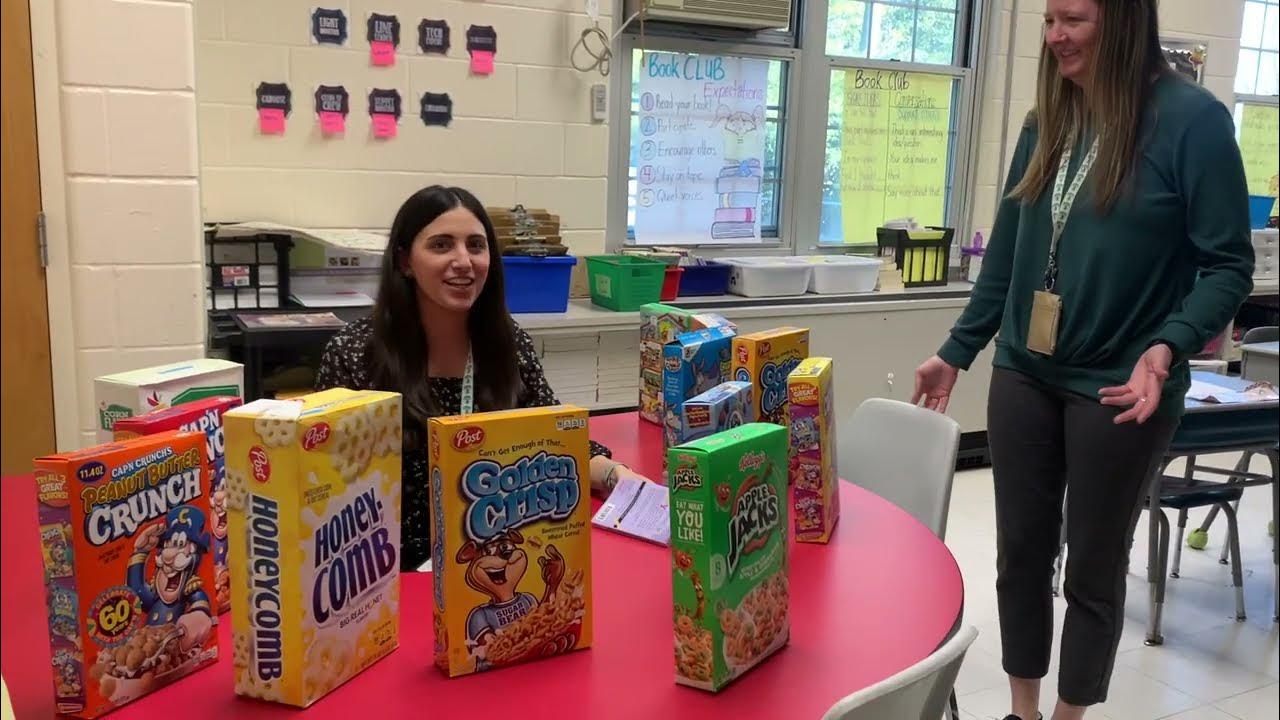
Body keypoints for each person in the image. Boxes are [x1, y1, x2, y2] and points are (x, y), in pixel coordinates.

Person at [911, 2, 1255, 719]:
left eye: (1075, 19)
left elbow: (1228, 265)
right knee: (1020, 559)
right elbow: (1005, 256)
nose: (1057, 36)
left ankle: (1070, 715)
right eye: (1048, 20)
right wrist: (957, 351)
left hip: (1120, 386)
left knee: (1093, 572)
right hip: (1024, 374)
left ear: (1125, 19)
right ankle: (1024, 710)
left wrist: (1168, 345)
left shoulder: (1192, 121)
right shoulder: (1049, 119)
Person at [317, 186, 649, 571]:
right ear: (405, 261)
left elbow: (557, 441)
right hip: (385, 578)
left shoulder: (505, 344)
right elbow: (326, 493)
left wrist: (620, 479)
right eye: (442, 245)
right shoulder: (354, 355)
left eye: (476, 246)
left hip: (495, 563)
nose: (464, 261)